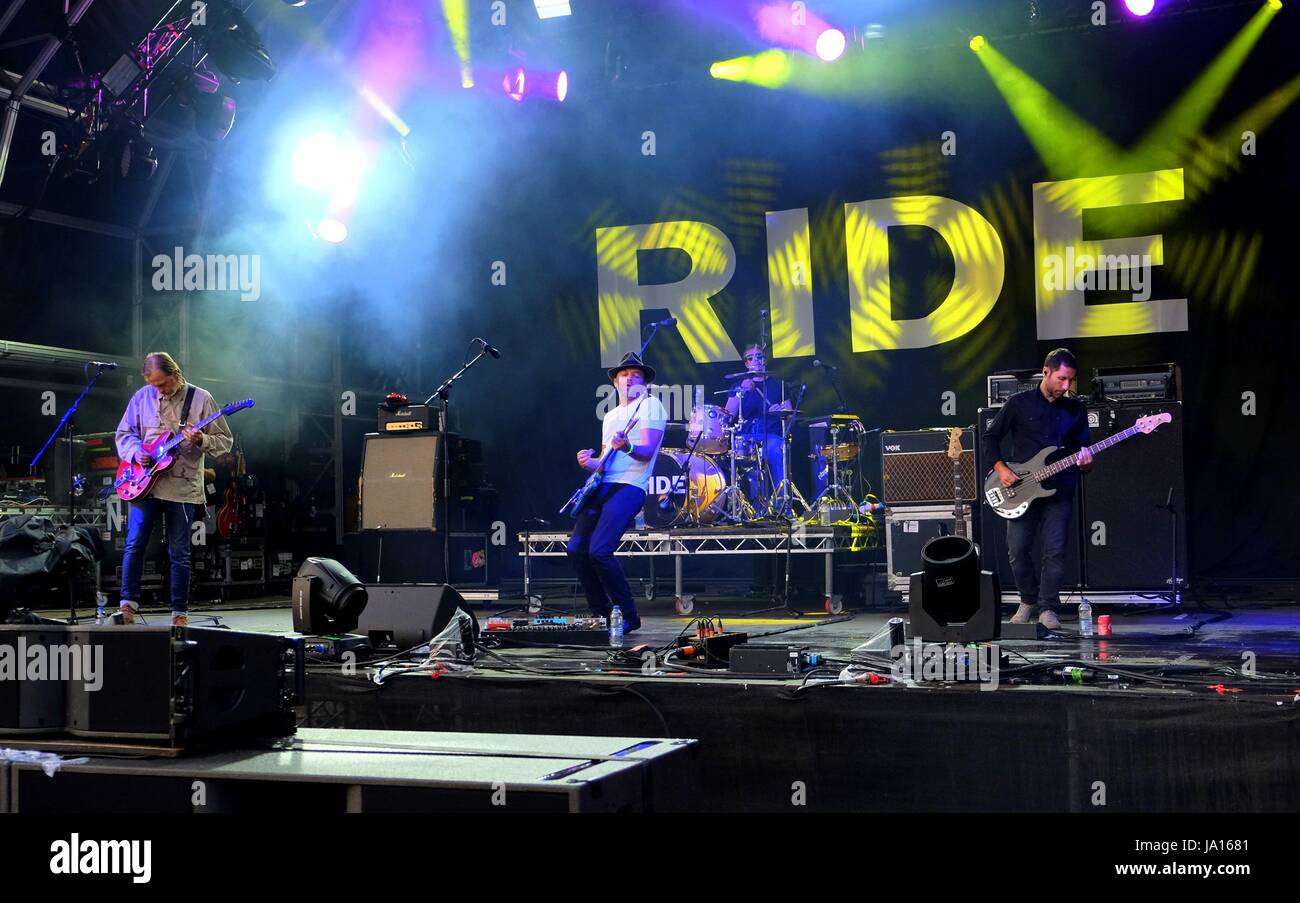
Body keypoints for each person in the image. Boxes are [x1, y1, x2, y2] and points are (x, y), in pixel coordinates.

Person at [114, 352, 233, 626]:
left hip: (182, 486)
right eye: (154, 385)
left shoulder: (201, 398)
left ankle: (179, 613)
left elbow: (224, 440)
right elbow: (124, 433)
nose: (159, 390)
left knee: (179, 551)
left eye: (162, 384)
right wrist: (136, 453)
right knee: (134, 544)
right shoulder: (142, 396)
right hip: (144, 484)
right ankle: (127, 606)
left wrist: (202, 438)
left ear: (176, 374)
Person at [980, 348, 1092, 630]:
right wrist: (1002, 470)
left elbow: (1083, 456)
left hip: (1060, 489)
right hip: (1022, 489)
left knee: (1054, 551)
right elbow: (990, 438)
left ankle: (1048, 608)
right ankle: (1028, 600)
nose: (1066, 386)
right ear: (1046, 372)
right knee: (1017, 550)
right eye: (1062, 379)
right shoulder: (1018, 404)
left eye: (1071, 381)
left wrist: (1086, 463)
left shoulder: (1075, 410)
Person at [567, 352, 667, 633]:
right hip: (605, 485)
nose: (630, 378)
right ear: (615, 382)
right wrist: (589, 463)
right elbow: (604, 461)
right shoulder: (611, 416)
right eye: (624, 374)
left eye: (636, 374)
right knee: (576, 549)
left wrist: (628, 447)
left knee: (599, 550)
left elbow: (646, 453)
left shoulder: (651, 406)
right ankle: (601, 615)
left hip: (630, 486)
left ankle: (629, 616)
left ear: (644, 382)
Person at [722, 344, 792, 511]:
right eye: (751, 358)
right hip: (747, 437)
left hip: (771, 435)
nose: (756, 360)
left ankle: (781, 506)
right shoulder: (738, 386)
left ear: (765, 360)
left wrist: (781, 410)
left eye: (759, 356)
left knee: (776, 451)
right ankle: (754, 508)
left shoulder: (778, 385)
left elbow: (789, 413)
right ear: (746, 364)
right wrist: (741, 393)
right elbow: (728, 415)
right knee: (748, 462)